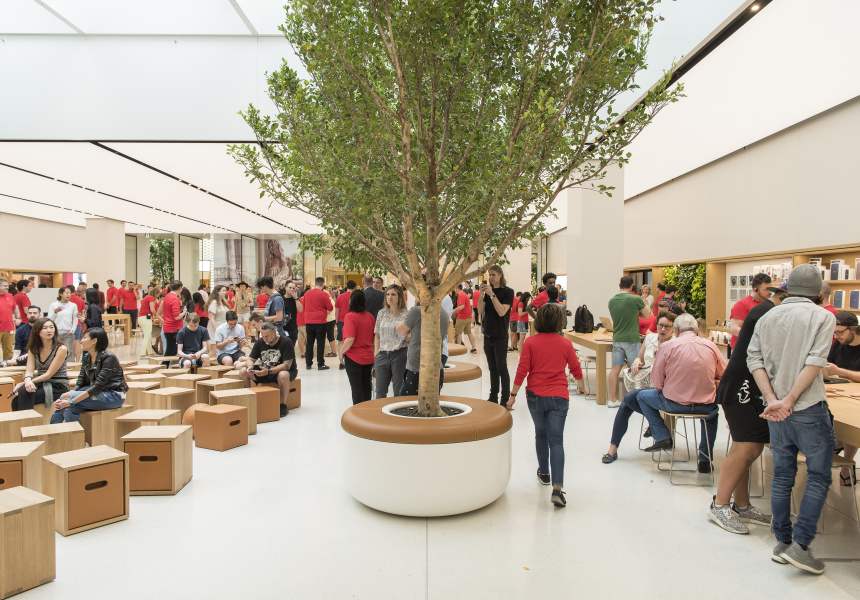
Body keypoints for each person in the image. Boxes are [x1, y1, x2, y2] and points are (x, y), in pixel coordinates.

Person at [747, 264, 835, 574]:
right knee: (819, 476)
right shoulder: (822, 316)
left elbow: (753, 359)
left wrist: (773, 399)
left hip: (775, 411)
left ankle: (782, 542)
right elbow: (815, 362)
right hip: (808, 407)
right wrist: (790, 400)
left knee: (783, 475)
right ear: (818, 292)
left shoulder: (768, 316)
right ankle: (801, 546)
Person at [707, 288, 785, 535]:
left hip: (748, 387)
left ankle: (741, 505)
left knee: (747, 447)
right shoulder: (767, 313)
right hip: (741, 387)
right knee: (747, 448)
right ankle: (720, 505)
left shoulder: (766, 310)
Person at [508, 304, 585, 508]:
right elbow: (575, 367)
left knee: (541, 434)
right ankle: (557, 488)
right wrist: (582, 386)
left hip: (535, 396)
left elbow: (522, 370)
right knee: (556, 440)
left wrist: (512, 396)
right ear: (559, 321)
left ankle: (544, 472)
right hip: (559, 396)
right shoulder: (565, 343)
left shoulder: (530, 342)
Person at [636, 314, 725, 474]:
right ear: (696, 329)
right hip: (705, 406)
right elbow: (723, 372)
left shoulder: (667, 347)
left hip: (673, 404)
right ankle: (705, 460)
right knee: (712, 416)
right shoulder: (711, 346)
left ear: (676, 330)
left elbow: (657, 383)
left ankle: (663, 436)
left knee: (641, 397)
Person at [602, 312, 677, 464]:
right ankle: (614, 447)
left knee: (627, 400)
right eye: (660, 325)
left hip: (665, 387)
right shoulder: (650, 339)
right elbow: (640, 357)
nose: (663, 329)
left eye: (667, 327)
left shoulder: (676, 344)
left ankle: (613, 449)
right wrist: (636, 362)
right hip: (646, 384)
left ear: (673, 329)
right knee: (626, 403)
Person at [49, 327, 127, 424]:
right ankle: (73, 434)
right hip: (96, 393)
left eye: (84, 337)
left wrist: (70, 400)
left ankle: (51, 431)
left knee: (66, 401)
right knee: (68, 410)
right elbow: (81, 381)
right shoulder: (87, 357)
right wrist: (68, 395)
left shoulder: (109, 357)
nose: (81, 341)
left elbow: (98, 386)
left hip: (113, 396)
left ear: (94, 341)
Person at [826, 311, 860, 486]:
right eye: (834, 332)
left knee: (850, 422)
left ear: (853, 329)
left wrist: (839, 371)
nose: (837, 336)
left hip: (855, 396)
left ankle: (847, 462)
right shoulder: (838, 344)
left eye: (840, 332)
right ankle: (838, 445)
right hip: (840, 390)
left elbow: (837, 370)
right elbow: (828, 366)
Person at [606, 276, 652, 408]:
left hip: (617, 338)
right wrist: (637, 312)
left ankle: (612, 400)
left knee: (615, 369)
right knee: (636, 369)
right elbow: (647, 315)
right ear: (631, 286)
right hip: (631, 339)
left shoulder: (612, 301)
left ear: (619, 285)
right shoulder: (635, 299)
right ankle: (636, 400)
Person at [396, 290, 451, 396]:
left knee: (409, 402)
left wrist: (415, 305)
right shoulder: (444, 313)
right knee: (431, 402)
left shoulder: (417, 311)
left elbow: (400, 330)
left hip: (416, 367)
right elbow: (442, 336)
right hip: (436, 367)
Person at [10, 317, 69, 411]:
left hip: (57, 385)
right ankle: (26, 419)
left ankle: (28, 420)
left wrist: (24, 383)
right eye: (45, 328)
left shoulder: (61, 348)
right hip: (40, 382)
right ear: (37, 331)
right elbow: (29, 370)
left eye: (51, 327)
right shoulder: (33, 348)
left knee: (22, 396)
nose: (49, 330)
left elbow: (49, 374)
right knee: (17, 399)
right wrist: (27, 380)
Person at [240, 322, 298, 417]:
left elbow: (286, 365)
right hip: (265, 370)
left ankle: (282, 405)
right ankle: (249, 399)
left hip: (280, 371)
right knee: (243, 371)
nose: (265, 339)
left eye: (267, 336)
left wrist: (269, 371)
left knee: (283, 375)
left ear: (274, 332)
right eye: (263, 336)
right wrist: (249, 366)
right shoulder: (260, 342)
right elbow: (250, 359)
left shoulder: (286, 341)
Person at [479, 265, 515, 404]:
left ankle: (505, 399)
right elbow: (480, 311)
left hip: (500, 336)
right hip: (488, 335)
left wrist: (492, 295)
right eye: (490, 275)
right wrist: (482, 295)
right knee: (492, 368)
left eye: (493, 274)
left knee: (502, 368)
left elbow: (501, 312)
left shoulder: (508, 292)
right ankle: (493, 396)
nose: (491, 277)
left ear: (500, 275)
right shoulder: (488, 293)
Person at [339, 289, 376, 404]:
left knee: (356, 387)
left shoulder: (350, 317)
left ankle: (357, 411)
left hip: (354, 357)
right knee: (366, 385)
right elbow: (373, 338)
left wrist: (341, 352)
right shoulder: (370, 316)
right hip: (368, 356)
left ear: (351, 301)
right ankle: (366, 409)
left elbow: (350, 339)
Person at [373, 284, 409, 398]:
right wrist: (376, 354)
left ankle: (398, 409)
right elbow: (377, 335)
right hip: (382, 355)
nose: (390, 297)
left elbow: (410, 336)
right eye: (387, 294)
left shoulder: (406, 314)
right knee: (380, 391)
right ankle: (380, 410)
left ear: (399, 296)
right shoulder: (382, 313)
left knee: (398, 391)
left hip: (399, 354)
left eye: (393, 294)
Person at [729, 273, 773, 352]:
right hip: (743, 350)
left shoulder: (771, 304)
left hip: (762, 349)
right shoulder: (742, 304)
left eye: (771, 289)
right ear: (756, 290)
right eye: (766, 289)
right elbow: (734, 329)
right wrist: (756, 338)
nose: (770, 292)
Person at [302, 277, 335, 370]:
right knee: (320, 343)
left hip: (309, 321)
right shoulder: (323, 294)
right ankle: (320, 364)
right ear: (323, 285)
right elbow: (330, 307)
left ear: (315, 284)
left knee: (309, 343)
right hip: (320, 321)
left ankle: (308, 363)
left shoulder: (307, 294)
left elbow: (304, 306)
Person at [161, 281, 187, 366]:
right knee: (170, 351)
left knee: (171, 350)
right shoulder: (175, 299)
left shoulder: (167, 296)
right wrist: (184, 312)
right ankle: (162, 367)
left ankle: (164, 367)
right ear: (180, 288)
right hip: (173, 328)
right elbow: (176, 316)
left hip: (168, 326)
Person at [48, 286, 77, 358]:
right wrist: (55, 312)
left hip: (68, 332)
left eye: (70, 293)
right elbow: (49, 319)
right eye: (66, 293)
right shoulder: (54, 305)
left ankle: (69, 364)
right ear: (60, 294)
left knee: (68, 352)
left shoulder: (73, 305)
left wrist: (72, 330)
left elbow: (75, 318)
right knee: (55, 352)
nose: (69, 295)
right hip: (57, 332)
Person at [0, 279, 22, 361]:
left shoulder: (9, 296)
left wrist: (18, 318)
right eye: (5, 286)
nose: (7, 287)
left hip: (9, 327)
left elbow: (15, 307)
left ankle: (7, 364)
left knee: (8, 350)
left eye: (7, 286)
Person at [335, 280, 356, 365]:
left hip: (341, 321)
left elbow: (336, 311)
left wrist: (337, 321)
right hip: (352, 321)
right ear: (354, 287)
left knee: (341, 341)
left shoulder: (340, 297)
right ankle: (351, 360)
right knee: (352, 341)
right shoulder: (355, 297)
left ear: (346, 286)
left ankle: (341, 362)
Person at [452, 284, 477, 353]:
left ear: (457, 288)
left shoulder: (461, 295)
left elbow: (462, 306)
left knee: (458, 333)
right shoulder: (464, 295)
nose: (454, 290)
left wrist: (453, 311)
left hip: (462, 317)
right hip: (468, 317)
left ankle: (458, 349)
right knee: (469, 333)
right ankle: (474, 348)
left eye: (454, 288)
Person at [206, 285, 231, 351]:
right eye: (223, 291)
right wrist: (217, 329)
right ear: (218, 292)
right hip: (215, 327)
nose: (225, 292)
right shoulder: (214, 303)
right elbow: (211, 318)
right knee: (214, 350)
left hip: (223, 327)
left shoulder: (223, 302)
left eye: (225, 291)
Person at [280, 280, 303, 346]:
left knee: (291, 347)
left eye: (293, 288)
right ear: (285, 288)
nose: (292, 289)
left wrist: (296, 299)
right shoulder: (281, 299)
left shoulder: (295, 299)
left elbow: (300, 310)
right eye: (290, 287)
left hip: (292, 328)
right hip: (282, 328)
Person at [138, 287, 157, 356]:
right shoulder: (151, 298)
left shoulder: (145, 297)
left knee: (148, 336)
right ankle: (143, 353)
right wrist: (157, 315)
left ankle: (150, 352)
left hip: (141, 318)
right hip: (146, 318)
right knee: (147, 337)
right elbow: (152, 309)